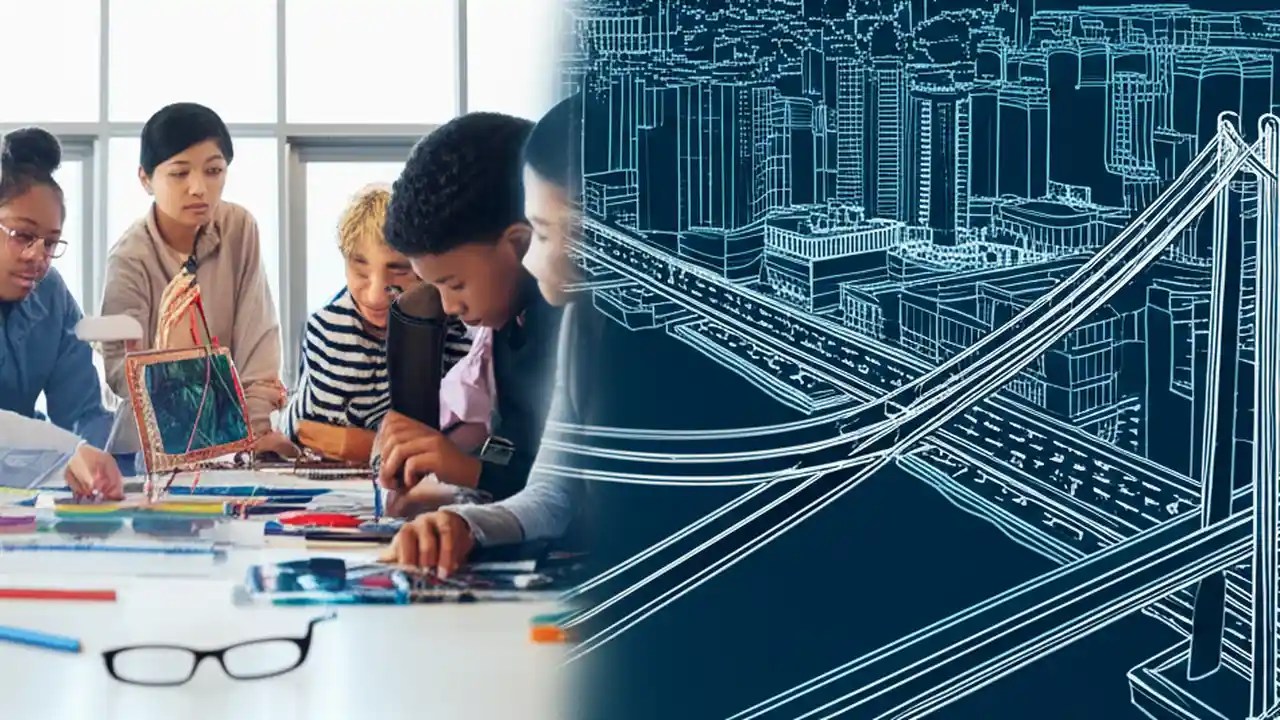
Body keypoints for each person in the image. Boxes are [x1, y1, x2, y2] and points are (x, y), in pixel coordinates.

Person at [382, 95, 592, 574]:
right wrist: (463, 506)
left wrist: (466, 476)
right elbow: (535, 471)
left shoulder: (569, 319)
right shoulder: (529, 321)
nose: (450, 308)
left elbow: (568, 497)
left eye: (454, 284)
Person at [99, 103, 297, 458]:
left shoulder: (239, 228)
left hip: (239, 441)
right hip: (151, 450)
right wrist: (202, 422)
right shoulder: (129, 258)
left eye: (213, 170)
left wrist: (253, 434)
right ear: (145, 179)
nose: (199, 188)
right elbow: (121, 372)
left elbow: (259, 342)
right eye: (179, 174)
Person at [281, 183, 472, 461]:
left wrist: (369, 443)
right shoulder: (328, 329)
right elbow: (319, 436)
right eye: (360, 272)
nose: (374, 295)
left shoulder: (453, 328)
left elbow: (454, 436)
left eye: (398, 272)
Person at [0, 128, 125, 499]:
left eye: (51, 242)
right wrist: (67, 451)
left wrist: (109, 456)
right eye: (22, 235)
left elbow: (82, 414)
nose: (37, 256)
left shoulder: (51, 295)